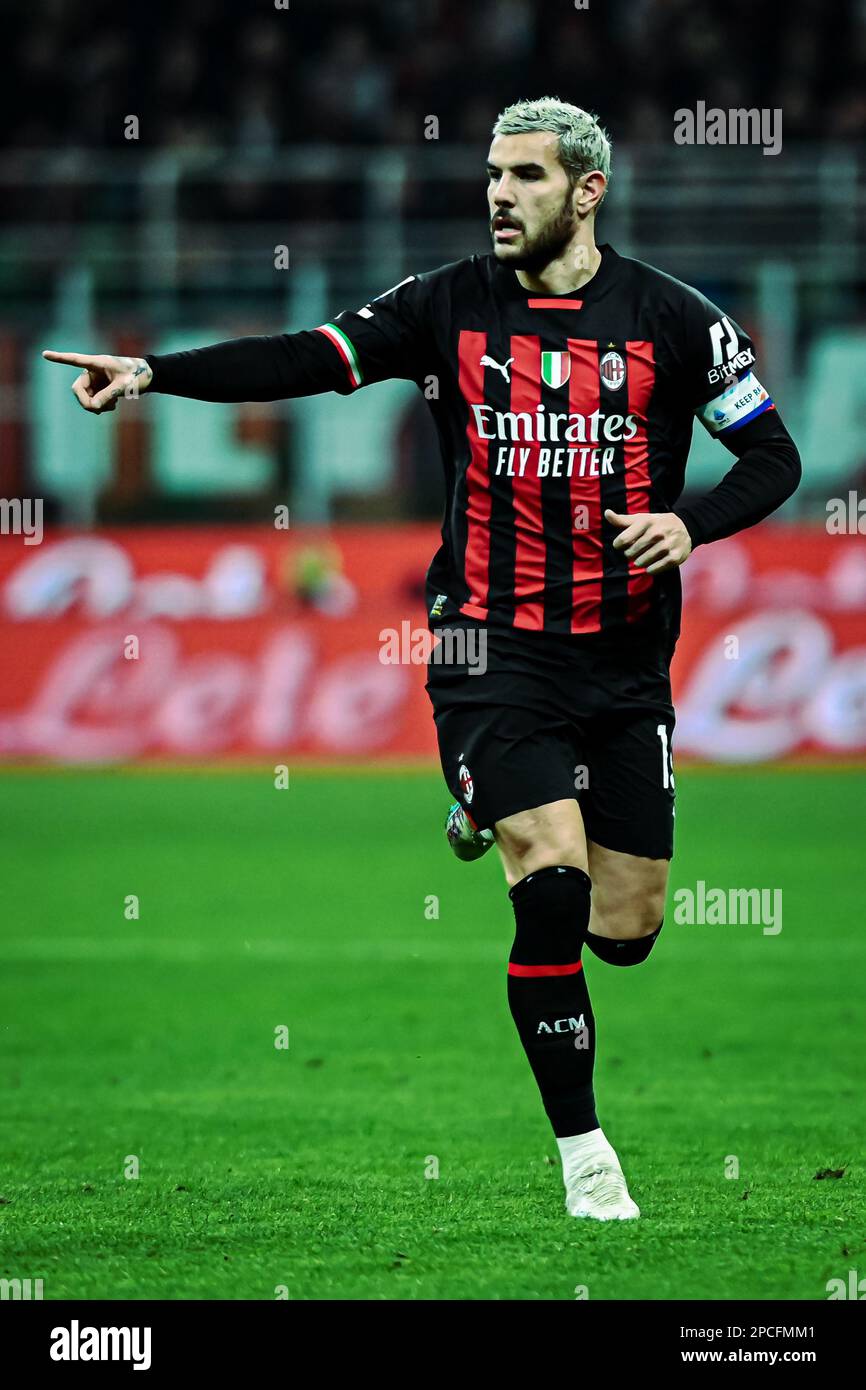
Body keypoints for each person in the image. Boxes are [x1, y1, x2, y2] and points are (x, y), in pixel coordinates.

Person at [43, 96, 801, 1220]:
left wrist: (689, 524)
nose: (498, 194)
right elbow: (306, 356)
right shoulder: (443, 306)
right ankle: (585, 1156)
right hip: (483, 640)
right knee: (548, 887)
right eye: (492, 175)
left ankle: (476, 807)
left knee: (624, 926)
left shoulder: (677, 322)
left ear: (587, 191)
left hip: (624, 656)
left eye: (526, 177)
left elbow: (772, 457)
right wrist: (156, 375)